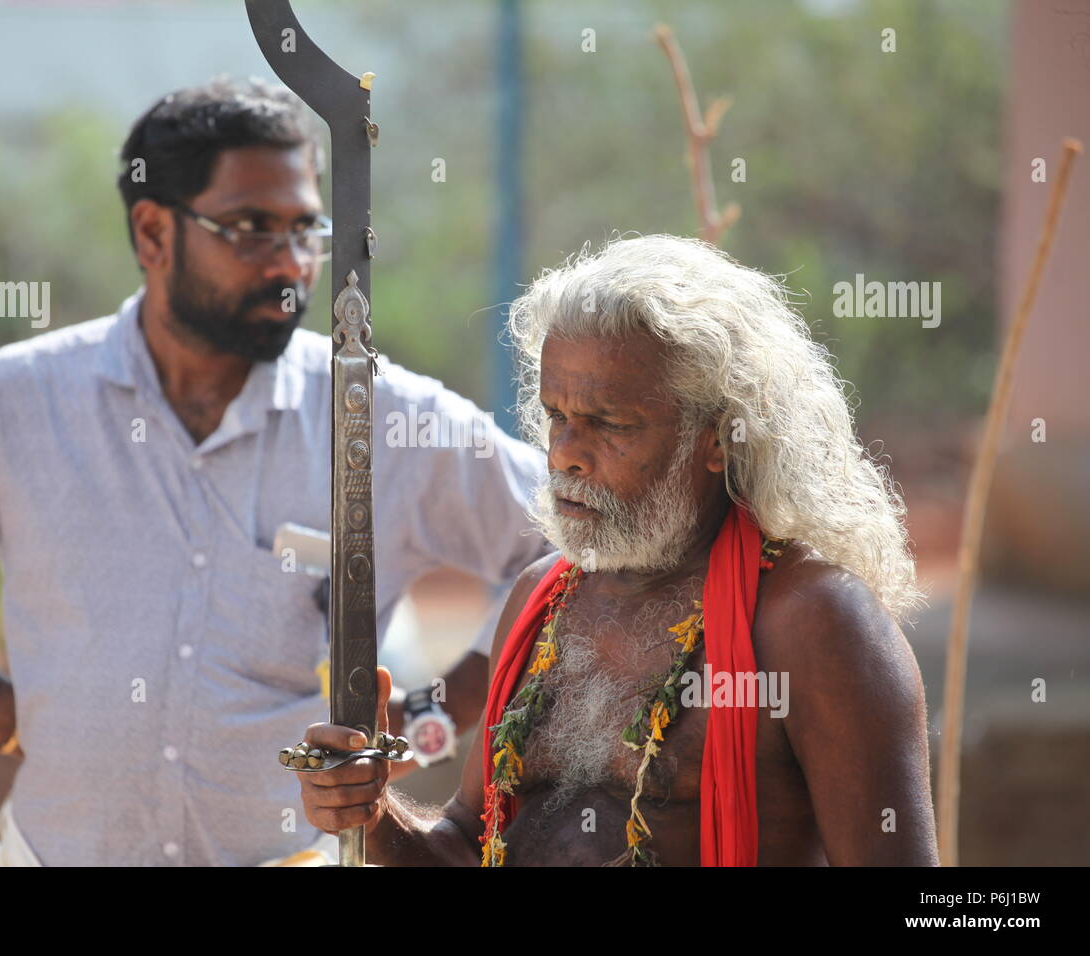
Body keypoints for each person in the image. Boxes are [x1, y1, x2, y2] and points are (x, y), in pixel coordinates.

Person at [0, 76, 548, 866]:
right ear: (152, 233)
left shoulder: (376, 418)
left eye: (304, 229)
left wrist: (423, 719)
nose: (289, 264)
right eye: (251, 228)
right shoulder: (12, 404)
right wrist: (8, 715)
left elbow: (566, 557)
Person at [295, 233, 940, 866]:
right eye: (556, 416)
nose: (566, 454)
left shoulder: (813, 621)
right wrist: (375, 813)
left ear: (717, 440)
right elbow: (469, 845)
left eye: (610, 423)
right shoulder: (540, 599)